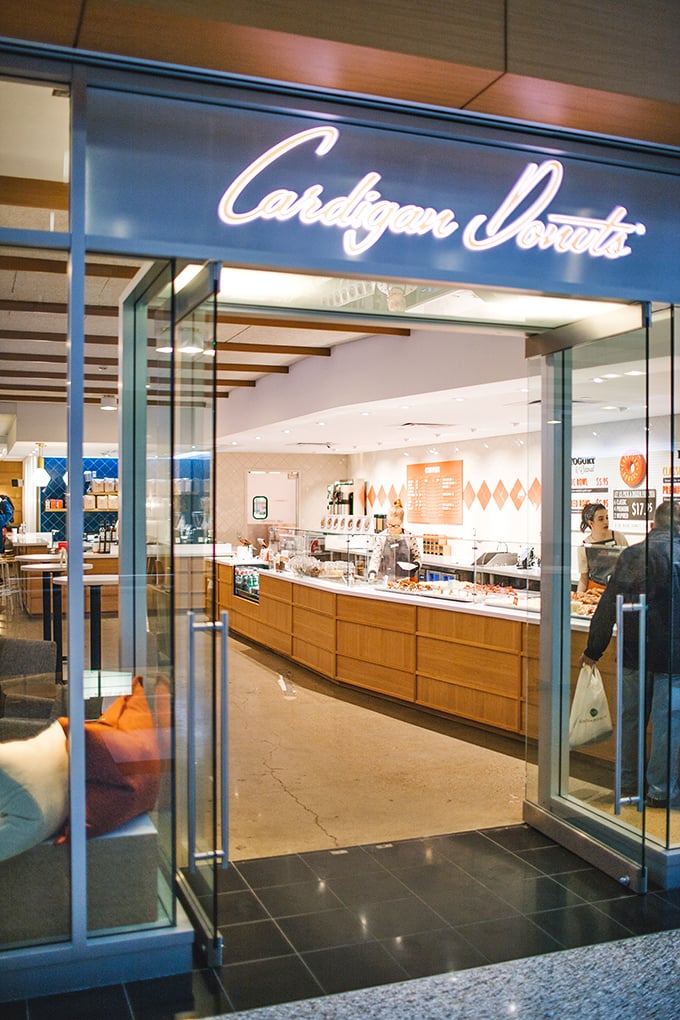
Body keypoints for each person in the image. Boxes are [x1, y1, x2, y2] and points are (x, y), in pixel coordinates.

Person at [580, 501, 680, 807]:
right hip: (672, 657)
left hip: (634, 651)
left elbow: (608, 604)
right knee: (667, 724)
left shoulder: (632, 554)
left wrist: (593, 649)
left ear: (653, 524)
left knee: (631, 720)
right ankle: (660, 792)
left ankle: (626, 784)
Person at [576, 502, 628, 592]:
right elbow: (583, 578)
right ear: (591, 523)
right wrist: (579, 597)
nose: (606, 521)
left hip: (617, 589)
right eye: (601, 519)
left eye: (607, 517)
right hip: (595, 590)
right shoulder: (584, 546)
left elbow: (630, 565)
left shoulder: (618, 537)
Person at [367, 499, 421, 581]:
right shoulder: (382, 537)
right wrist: (372, 573)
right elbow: (375, 558)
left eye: (396, 526)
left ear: (401, 523)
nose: (392, 529)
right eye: (390, 525)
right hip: (386, 579)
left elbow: (417, 558)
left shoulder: (409, 537)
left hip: (406, 580)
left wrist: (415, 565)